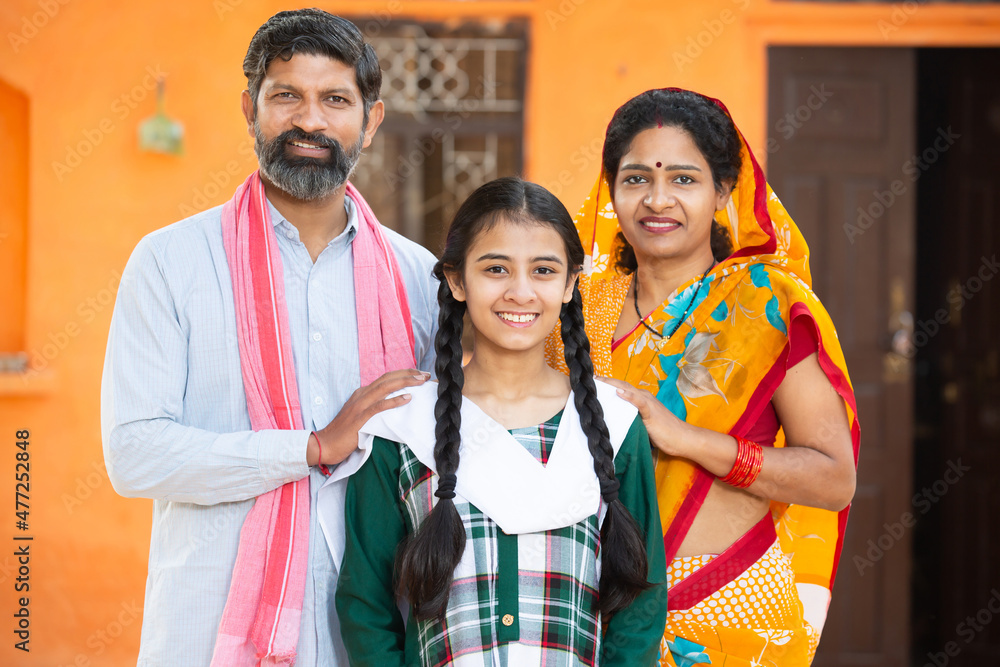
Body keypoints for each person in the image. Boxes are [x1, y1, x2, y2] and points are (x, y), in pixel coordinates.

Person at [100, 10, 438, 666]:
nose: (310, 121)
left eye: (335, 100)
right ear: (250, 109)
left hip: (372, 638)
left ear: (370, 121)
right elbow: (133, 452)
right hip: (209, 633)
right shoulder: (172, 261)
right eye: (287, 96)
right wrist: (310, 447)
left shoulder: (418, 277)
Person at [546, 89, 860, 665]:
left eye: (684, 180)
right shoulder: (573, 307)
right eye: (636, 178)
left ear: (722, 192)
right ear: (612, 189)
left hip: (726, 610)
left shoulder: (768, 304)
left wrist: (685, 437)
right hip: (585, 608)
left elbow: (833, 479)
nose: (657, 200)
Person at [331, 177, 668, 666]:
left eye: (544, 270)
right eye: (496, 269)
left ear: (571, 283)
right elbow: (366, 606)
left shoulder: (614, 428)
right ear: (456, 280)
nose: (521, 292)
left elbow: (640, 605)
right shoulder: (403, 427)